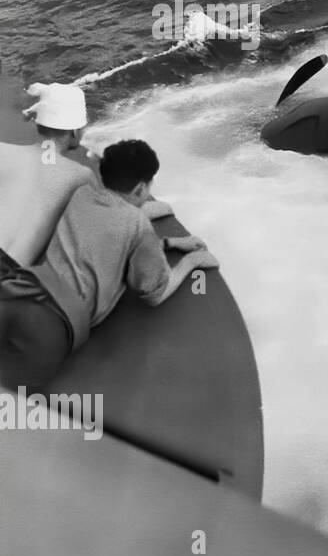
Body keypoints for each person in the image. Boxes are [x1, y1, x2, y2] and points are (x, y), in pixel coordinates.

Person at [0, 139, 217, 390]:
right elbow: (154, 292)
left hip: (16, 293)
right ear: (140, 190)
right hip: (49, 328)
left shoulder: (83, 194)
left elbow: (111, 226)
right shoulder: (137, 224)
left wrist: (168, 243)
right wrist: (192, 262)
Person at [0, 82, 94, 268]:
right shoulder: (81, 176)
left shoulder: (3, 151)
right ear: (75, 132)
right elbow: (109, 217)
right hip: (9, 279)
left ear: (38, 124)